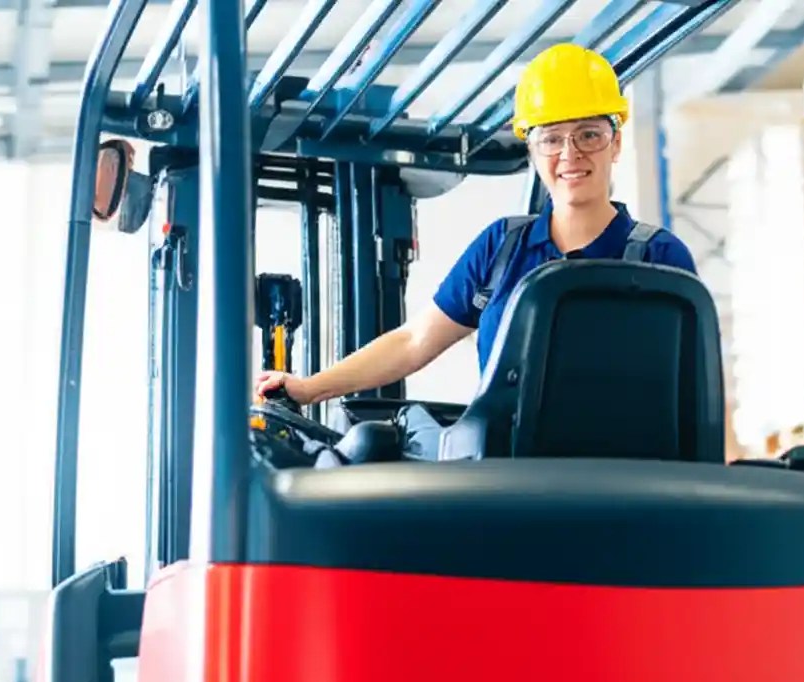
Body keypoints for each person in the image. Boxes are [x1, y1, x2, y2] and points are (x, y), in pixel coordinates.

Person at [255, 43, 742, 462]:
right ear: (532, 150)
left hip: (626, 472)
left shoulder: (659, 257)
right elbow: (415, 341)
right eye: (552, 138)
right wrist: (309, 388)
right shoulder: (502, 249)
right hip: (508, 474)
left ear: (615, 142)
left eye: (589, 135)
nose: (571, 154)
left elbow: (696, 389)